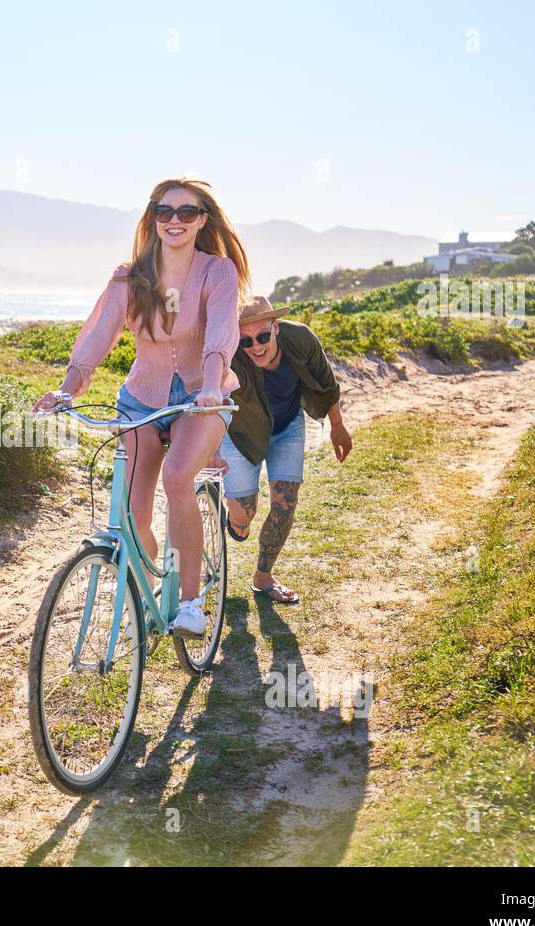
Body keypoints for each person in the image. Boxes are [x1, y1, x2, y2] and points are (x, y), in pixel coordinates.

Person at [35, 177, 250, 636]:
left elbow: (219, 339)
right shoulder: (132, 277)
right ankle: (151, 587)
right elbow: (96, 340)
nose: (174, 221)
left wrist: (212, 387)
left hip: (201, 399)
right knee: (132, 511)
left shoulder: (218, 272)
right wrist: (67, 389)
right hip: (141, 399)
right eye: (164, 211)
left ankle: (190, 604)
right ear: (152, 218)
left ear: (201, 221)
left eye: (186, 213)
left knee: (176, 479)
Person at [213, 295, 353, 605]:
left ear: (276, 328)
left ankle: (264, 577)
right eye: (246, 340)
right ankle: (235, 516)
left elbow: (326, 382)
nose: (256, 347)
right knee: (244, 518)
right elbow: (213, 399)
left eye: (262, 336)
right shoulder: (230, 354)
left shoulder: (300, 338)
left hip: (287, 425)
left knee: (285, 503)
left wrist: (338, 425)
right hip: (242, 432)